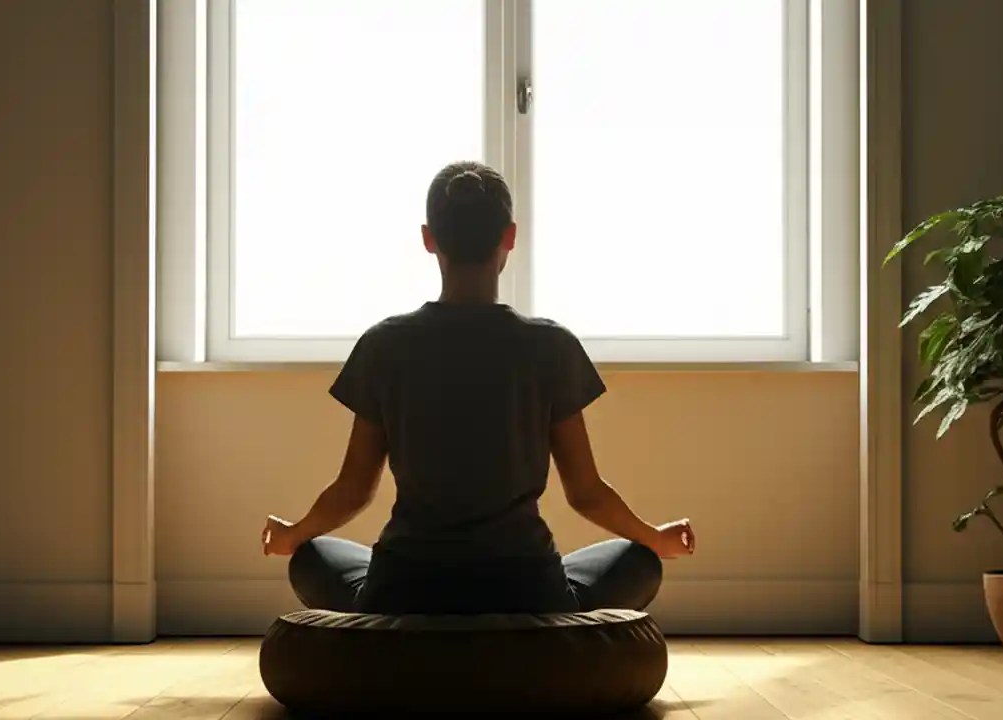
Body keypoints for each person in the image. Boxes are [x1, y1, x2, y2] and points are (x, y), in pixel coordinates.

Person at [261, 161, 695, 615]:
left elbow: (353, 490)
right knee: (640, 562)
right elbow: (585, 492)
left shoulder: (383, 345)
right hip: (527, 589)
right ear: (509, 236)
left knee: (311, 557)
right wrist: (654, 537)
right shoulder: (550, 345)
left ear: (429, 239)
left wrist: (293, 534)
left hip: (405, 588)